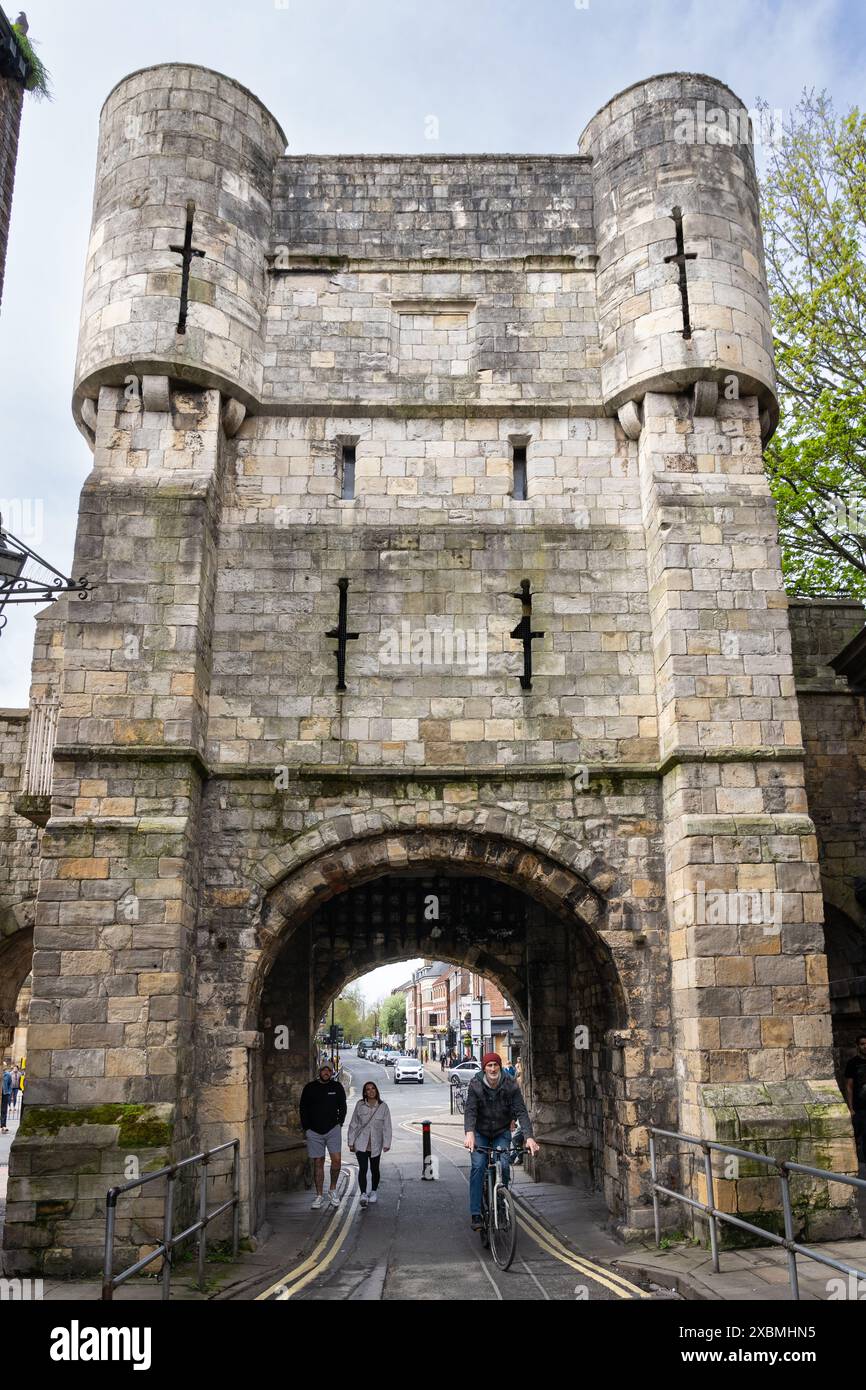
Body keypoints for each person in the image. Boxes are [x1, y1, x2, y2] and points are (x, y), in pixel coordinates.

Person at [463, 1051, 539, 1232]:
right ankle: (475, 1214)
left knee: (503, 1164)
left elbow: (521, 1111)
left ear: (499, 1067)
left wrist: (528, 1137)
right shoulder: (475, 1085)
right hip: (480, 1132)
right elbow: (471, 1111)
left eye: (495, 1065)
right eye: (489, 1065)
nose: (492, 1068)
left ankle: (501, 1207)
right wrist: (469, 1133)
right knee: (479, 1165)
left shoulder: (510, 1084)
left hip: (501, 1131)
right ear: (484, 1068)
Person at [299, 1062, 347, 1209]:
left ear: (332, 1073)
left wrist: (339, 1123)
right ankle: (319, 1195)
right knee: (318, 1162)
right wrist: (306, 1128)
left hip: (333, 1129)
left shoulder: (337, 1087)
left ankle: (333, 1190)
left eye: (329, 1070)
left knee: (337, 1161)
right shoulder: (309, 1088)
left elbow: (343, 1107)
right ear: (319, 1071)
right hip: (314, 1131)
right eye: (324, 1070)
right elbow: (303, 1108)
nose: (326, 1072)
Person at [347, 1080, 392, 1207]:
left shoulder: (383, 1106)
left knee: (375, 1169)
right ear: (365, 1093)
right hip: (361, 1143)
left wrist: (387, 1143)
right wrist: (351, 1142)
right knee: (363, 1169)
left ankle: (373, 1191)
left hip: (376, 1144)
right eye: (368, 1089)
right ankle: (363, 1194)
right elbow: (353, 1124)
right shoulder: (360, 1105)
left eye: (373, 1088)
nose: (371, 1091)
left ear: (376, 1091)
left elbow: (387, 1126)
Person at [844, 1032, 866, 1167]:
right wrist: (850, 1107)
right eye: (862, 1044)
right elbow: (849, 1087)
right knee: (859, 1134)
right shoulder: (853, 1063)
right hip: (860, 1106)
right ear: (858, 1046)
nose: (865, 1047)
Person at [0, 1061, 12, 1134]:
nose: (3, 1067)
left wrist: (9, 1092)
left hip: (5, 1094)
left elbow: (10, 1084)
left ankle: (3, 1125)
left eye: (4, 1066)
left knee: (4, 1110)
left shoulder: (8, 1075)